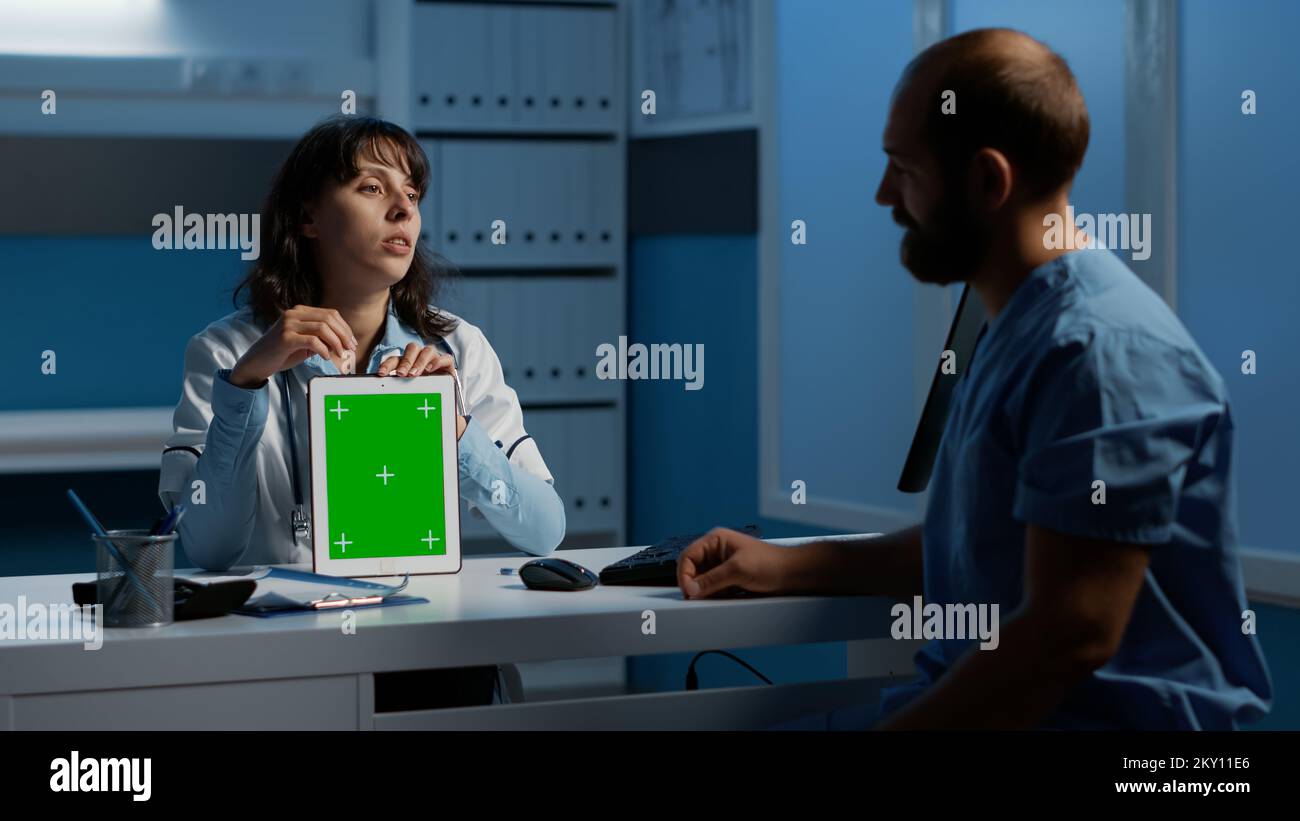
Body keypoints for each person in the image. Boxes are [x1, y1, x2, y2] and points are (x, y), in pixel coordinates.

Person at [676, 28, 1271, 730]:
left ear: (988, 182)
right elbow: (981, 553)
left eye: (903, 167)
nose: (882, 195)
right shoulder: (1016, 326)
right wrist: (783, 564)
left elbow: (1068, 632)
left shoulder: (1101, 355)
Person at [159, 116, 566, 572]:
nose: (403, 210)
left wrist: (452, 431)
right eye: (372, 187)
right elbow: (211, 549)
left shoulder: (457, 348)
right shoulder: (226, 353)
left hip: (418, 624)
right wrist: (247, 383)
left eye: (412, 194)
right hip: (281, 633)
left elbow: (545, 531)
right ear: (307, 217)